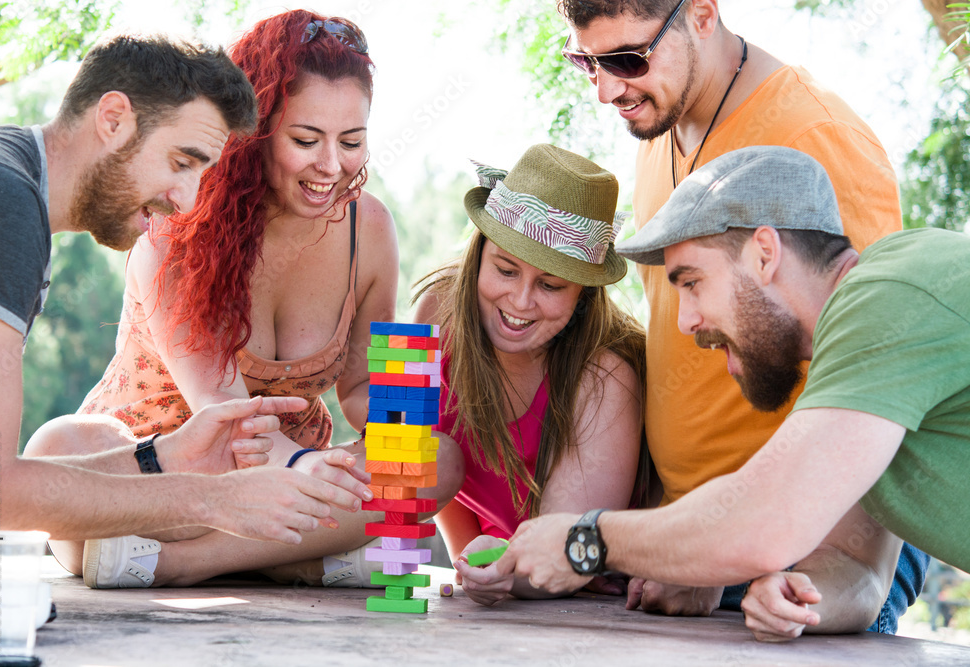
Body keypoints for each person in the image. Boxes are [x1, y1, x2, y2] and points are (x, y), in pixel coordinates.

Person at [24, 10, 460, 590]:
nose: (331, 166)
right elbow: (223, 417)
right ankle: (301, 558)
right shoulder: (175, 225)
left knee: (436, 458)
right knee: (57, 449)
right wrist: (315, 475)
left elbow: (359, 387)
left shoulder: (370, 229)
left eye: (352, 141)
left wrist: (401, 414)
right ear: (253, 134)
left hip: (290, 470)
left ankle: (184, 563)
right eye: (306, 140)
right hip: (167, 469)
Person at [556, 0, 927, 636]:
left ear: (702, 15)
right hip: (696, 538)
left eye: (628, 59)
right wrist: (680, 535)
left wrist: (733, 549)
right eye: (587, 63)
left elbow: (878, 365)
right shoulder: (659, 124)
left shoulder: (816, 136)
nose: (607, 90)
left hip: (807, 546)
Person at [499, 146, 970, 641]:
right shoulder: (867, 351)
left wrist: (584, 540)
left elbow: (765, 524)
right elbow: (862, 571)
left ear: (764, 254)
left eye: (692, 282)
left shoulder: (890, 296)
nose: (685, 322)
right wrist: (799, 596)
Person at [0, 33, 356, 546]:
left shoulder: (2, 175)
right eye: (181, 162)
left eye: (202, 171)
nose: (187, 199)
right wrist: (211, 500)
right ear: (113, 119)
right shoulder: (2, 203)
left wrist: (165, 457)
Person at [413, 143, 648, 606]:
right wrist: (470, 560)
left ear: (583, 295)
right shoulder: (436, 314)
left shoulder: (607, 376)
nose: (520, 302)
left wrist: (498, 569)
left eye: (550, 285)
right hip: (499, 574)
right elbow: (418, 455)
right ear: (479, 254)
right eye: (505, 270)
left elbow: (560, 550)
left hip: (585, 594)